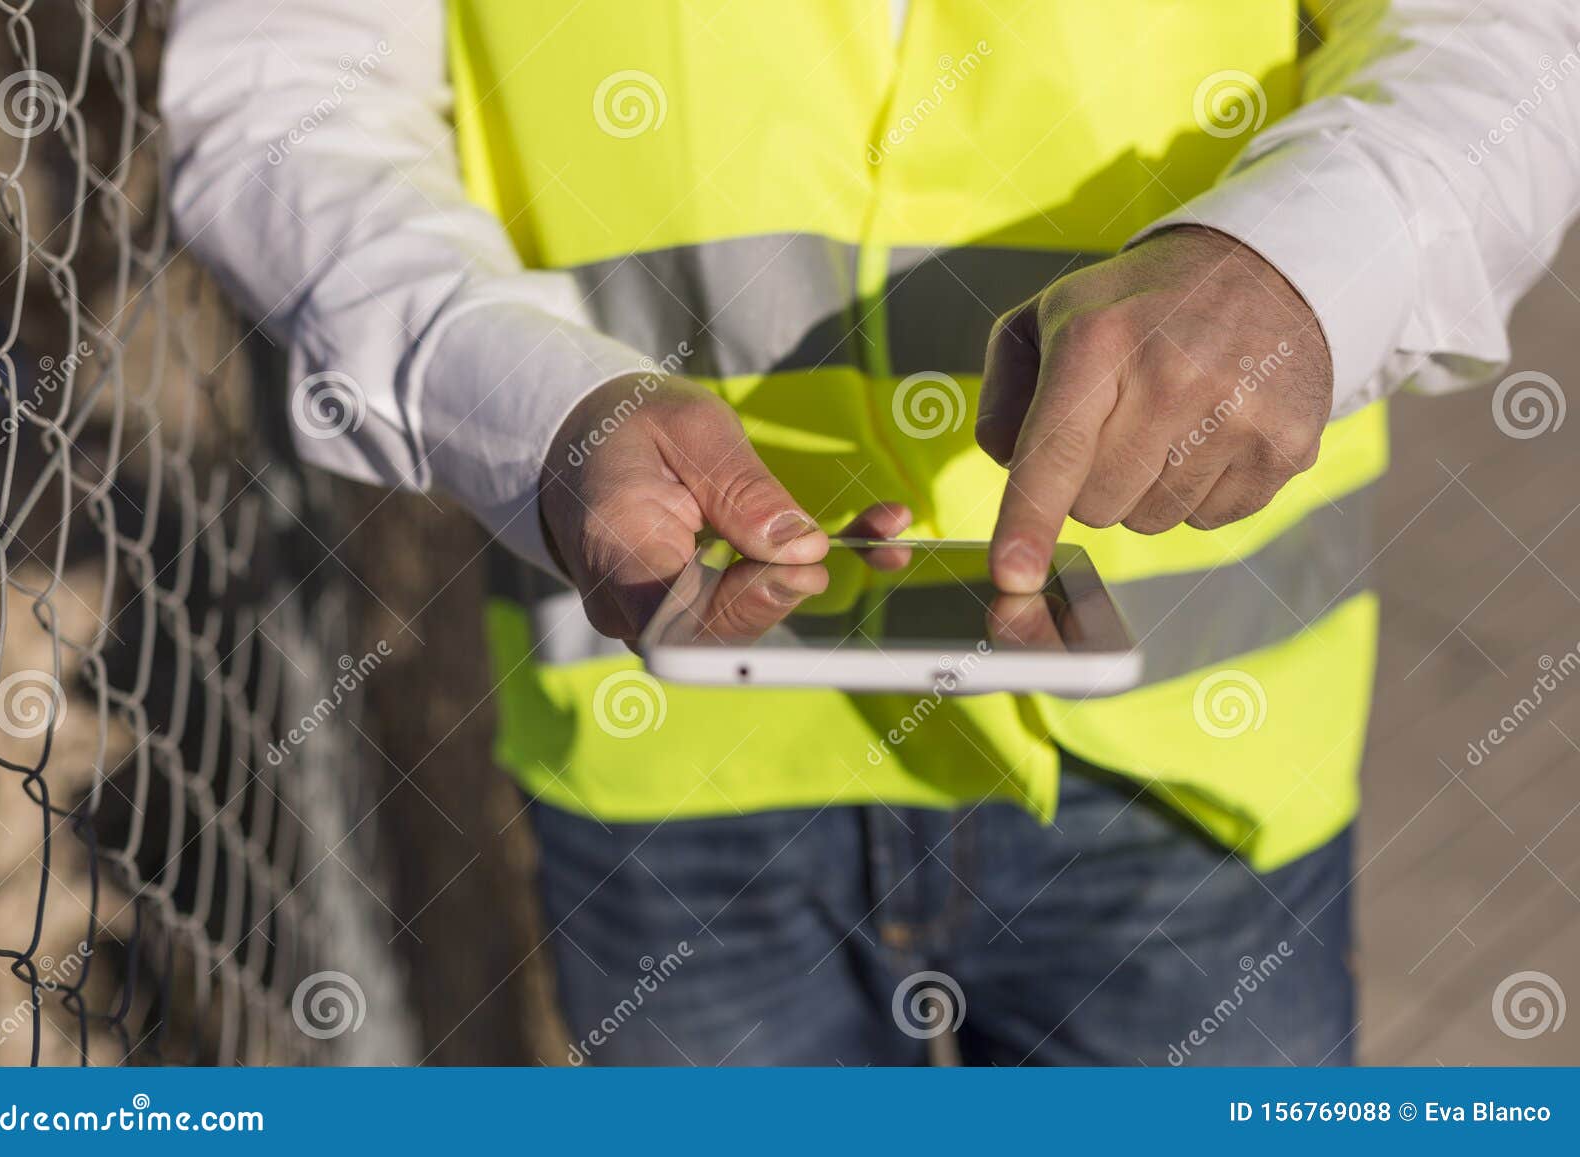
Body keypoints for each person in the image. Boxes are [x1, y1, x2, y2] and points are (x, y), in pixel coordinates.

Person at [162, 1, 1580, 1065]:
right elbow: (285, 89)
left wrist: (1308, 269)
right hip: (677, 753)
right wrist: (533, 408)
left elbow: (1506, 39)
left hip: (1186, 762)